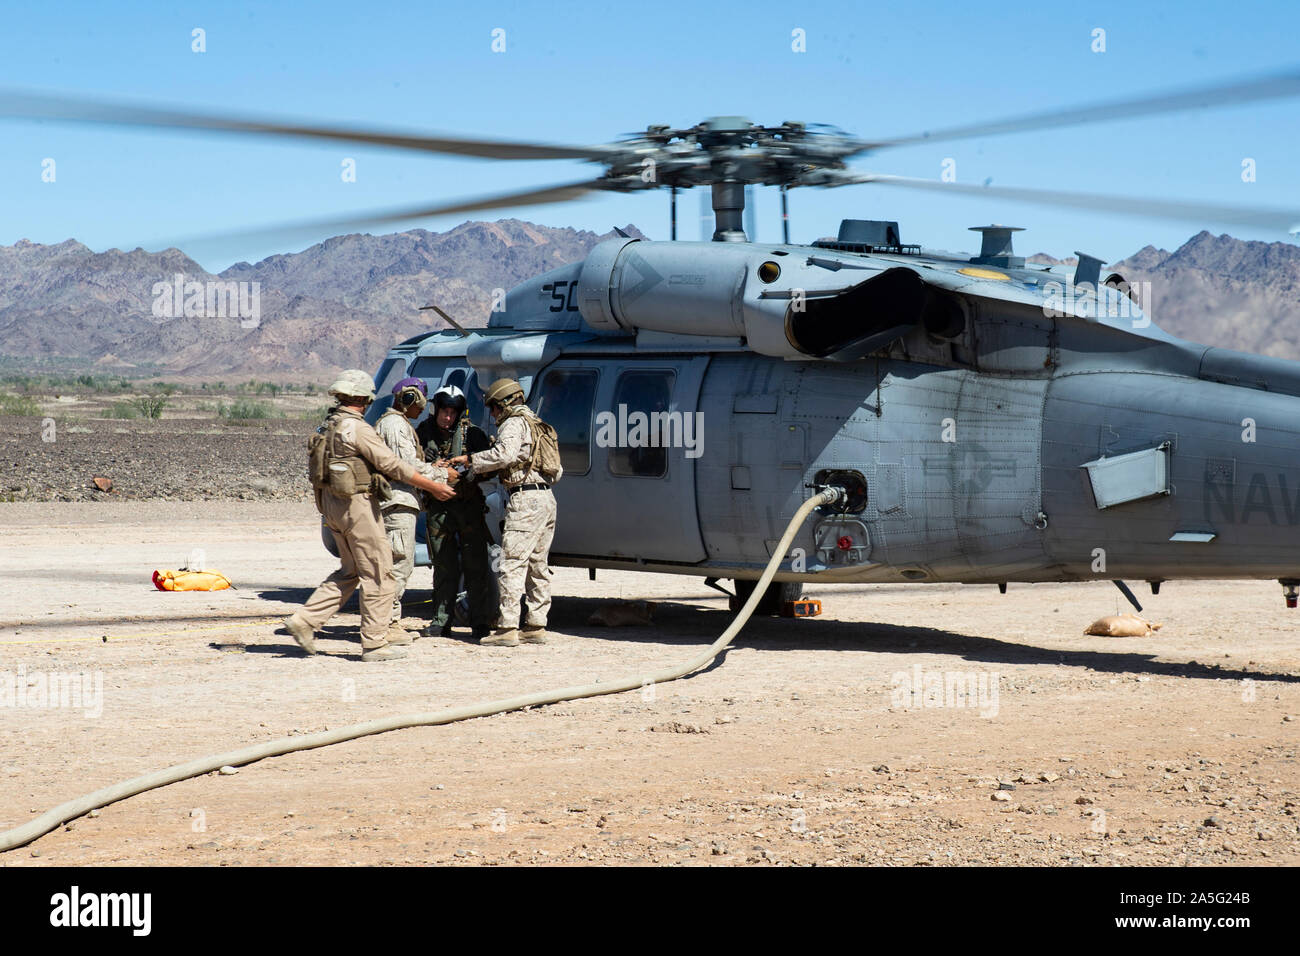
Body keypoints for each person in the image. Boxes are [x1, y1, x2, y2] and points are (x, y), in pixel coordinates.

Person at [283, 369, 456, 662]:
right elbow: (395, 466)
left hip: (332, 507)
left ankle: (305, 620)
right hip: (357, 506)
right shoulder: (358, 429)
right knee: (380, 572)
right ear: (363, 398)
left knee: (350, 572)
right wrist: (434, 485)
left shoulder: (328, 426)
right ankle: (375, 643)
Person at [447, 378, 560, 647]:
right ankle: (535, 624)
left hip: (525, 500)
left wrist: (471, 460)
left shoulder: (514, 423)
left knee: (511, 563)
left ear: (504, 404)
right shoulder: (536, 423)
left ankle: (507, 627)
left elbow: (504, 455)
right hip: (545, 498)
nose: (494, 415)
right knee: (537, 565)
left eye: (495, 408)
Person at [415, 385, 494, 640]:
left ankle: (480, 621)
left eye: (452, 412)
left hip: (468, 508)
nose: (447, 417)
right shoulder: (422, 434)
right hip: (438, 508)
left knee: (476, 566)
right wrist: (429, 466)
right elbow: (408, 466)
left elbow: (490, 467)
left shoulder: (473, 435)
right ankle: (441, 620)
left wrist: (469, 467)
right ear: (435, 409)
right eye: (444, 412)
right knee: (443, 566)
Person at [373, 376, 443, 640]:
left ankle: (389, 622)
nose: (423, 408)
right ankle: (388, 624)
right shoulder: (395, 425)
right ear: (410, 398)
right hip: (397, 502)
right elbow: (406, 465)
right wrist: (440, 476)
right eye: (420, 401)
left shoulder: (395, 424)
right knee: (398, 563)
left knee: (396, 563)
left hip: (398, 501)